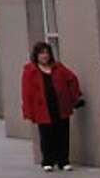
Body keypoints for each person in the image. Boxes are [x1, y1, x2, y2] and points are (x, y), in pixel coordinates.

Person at [21, 42, 80, 170]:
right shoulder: (30, 70)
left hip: (60, 105)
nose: (45, 56)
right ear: (36, 55)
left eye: (47, 53)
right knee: (46, 133)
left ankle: (63, 160)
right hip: (42, 107)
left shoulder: (58, 67)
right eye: (42, 53)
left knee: (63, 132)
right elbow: (27, 91)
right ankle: (47, 160)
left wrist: (73, 96)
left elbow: (72, 79)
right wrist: (28, 109)